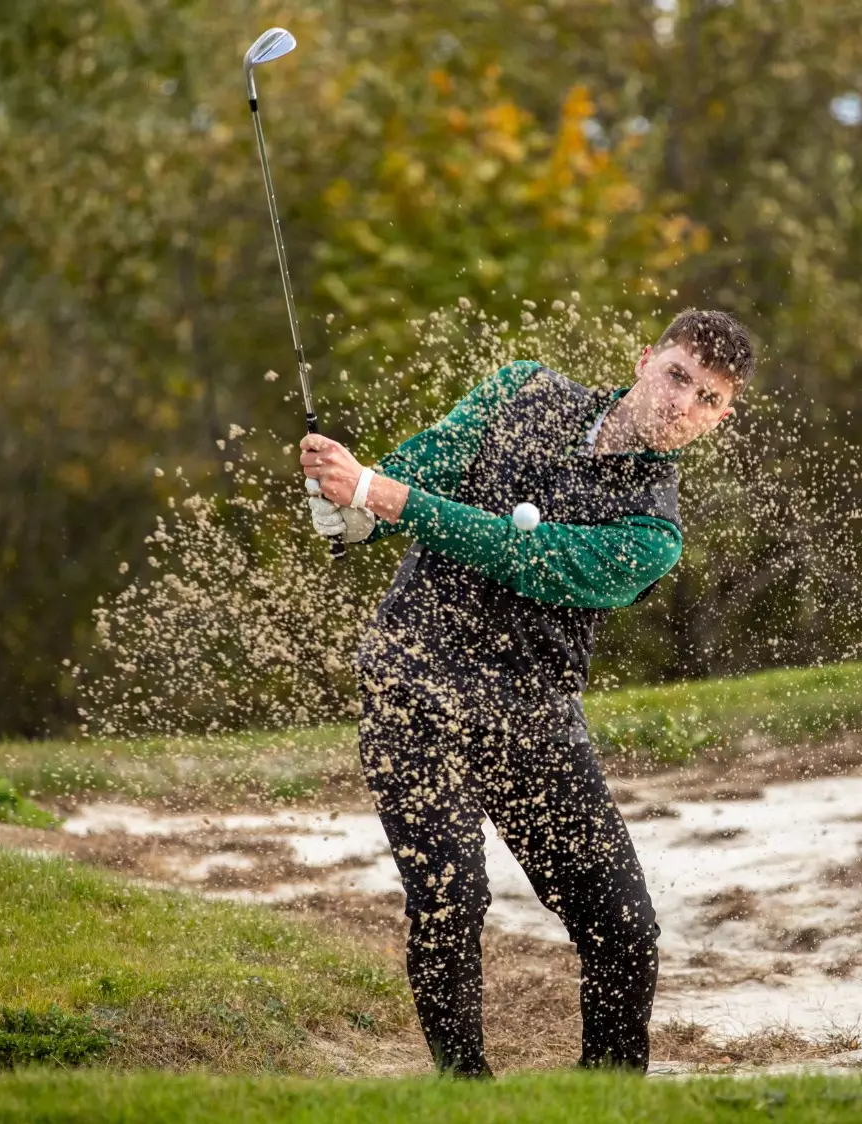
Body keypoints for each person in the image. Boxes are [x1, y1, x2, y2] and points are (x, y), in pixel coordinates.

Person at [297, 309, 755, 1078]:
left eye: (708, 399)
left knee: (624, 927)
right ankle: (464, 1091)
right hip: (415, 677)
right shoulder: (523, 390)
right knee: (451, 896)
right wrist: (345, 509)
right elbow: (419, 470)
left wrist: (382, 495)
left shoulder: (652, 531)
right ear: (646, 361)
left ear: (720, 420)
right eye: (678, 376)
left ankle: (604, 1099)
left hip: (531, 710)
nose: (683, 405)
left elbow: (523, 554)